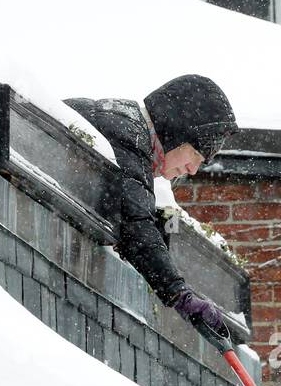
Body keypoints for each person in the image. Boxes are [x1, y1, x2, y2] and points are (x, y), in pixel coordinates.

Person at [65, 75, 238, 334]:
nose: (192, 169)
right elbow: (135, 223)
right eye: (195, 155)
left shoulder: (128, 129)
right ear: (176, 132)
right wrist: (180, 294)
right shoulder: (127, 136)